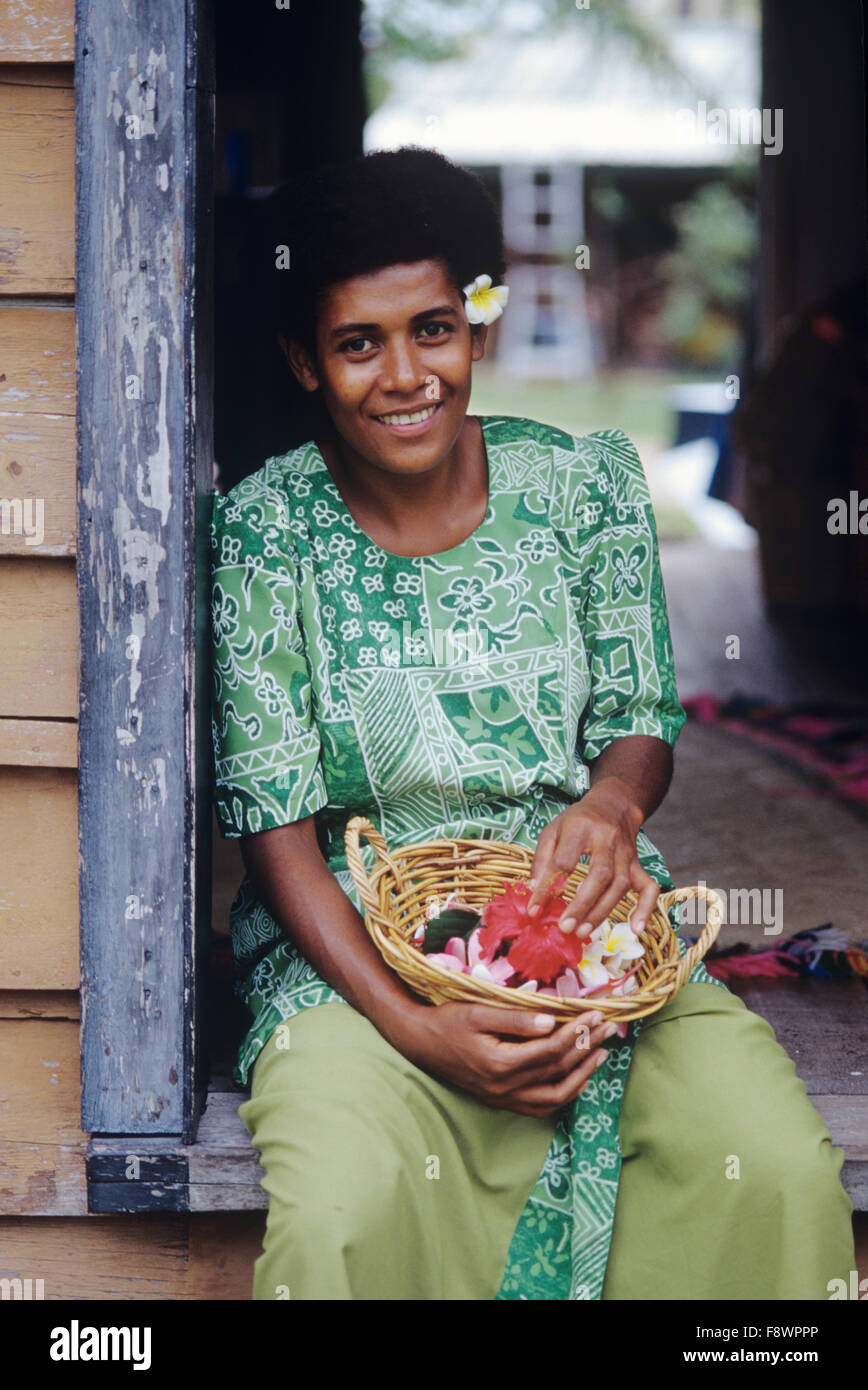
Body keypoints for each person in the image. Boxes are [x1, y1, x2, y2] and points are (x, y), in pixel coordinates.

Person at [209, 147, 855, 1301]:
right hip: (351, 951)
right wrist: (415, 1027)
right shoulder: (267, 532)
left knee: (765, 1165)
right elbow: (275, 827)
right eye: (358, 343)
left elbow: (640, 715)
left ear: (478, 324)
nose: (405, 375)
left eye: (433, 329)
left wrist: (611, 803)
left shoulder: (583, 487)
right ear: (305, 361)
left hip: (593, 930)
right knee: (344, 1204)